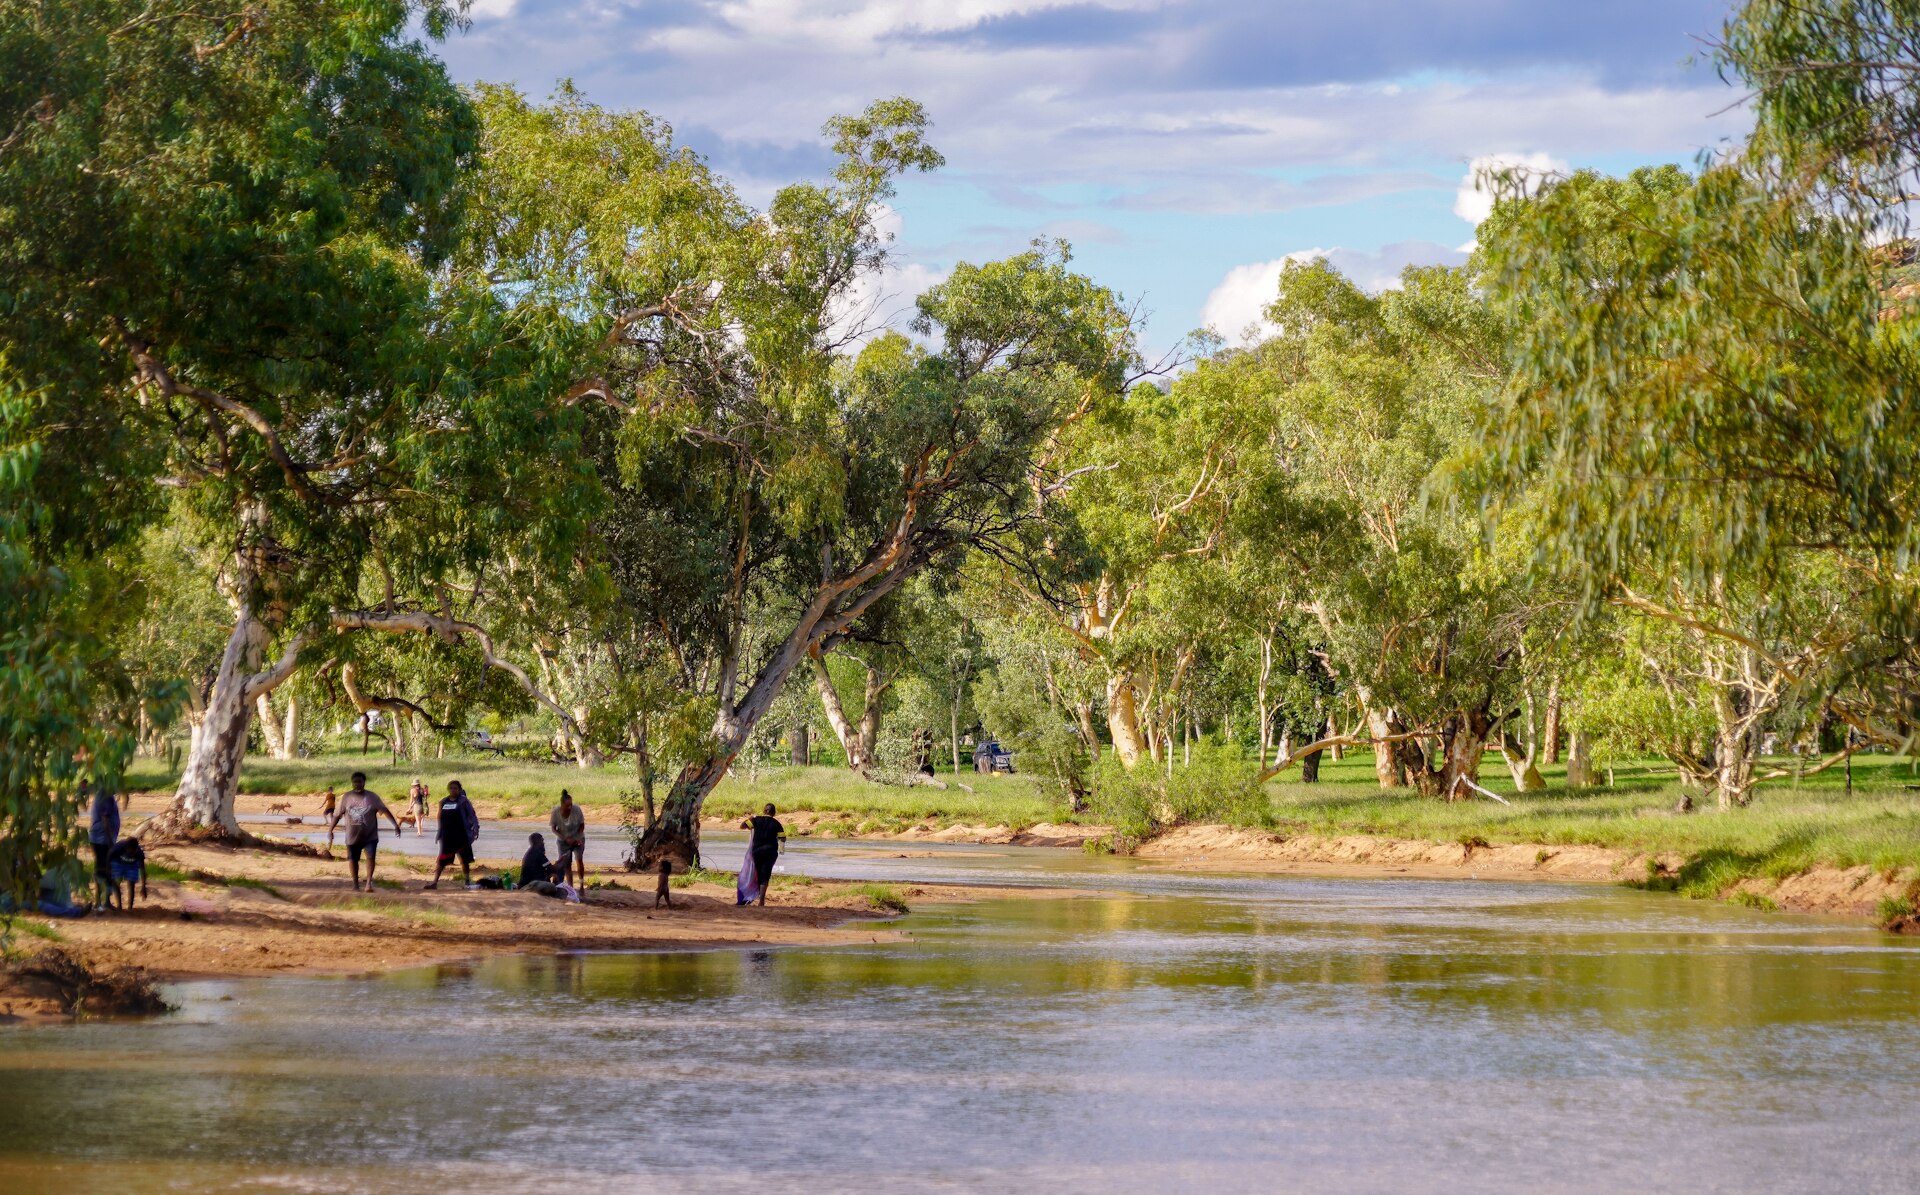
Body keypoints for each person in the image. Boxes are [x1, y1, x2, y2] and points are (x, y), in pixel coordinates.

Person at [328, 772, 401, 891]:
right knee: (353, 859)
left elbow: (385, 810)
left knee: (370, 858)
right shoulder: (346, 797)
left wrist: (395, 825)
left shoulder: (372, 797)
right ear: (352, 783)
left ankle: (368, 883)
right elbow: (337, 815)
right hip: (352, 836)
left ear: (364, 783)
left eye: (360, 782)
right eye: (355, 782)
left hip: (370, 836)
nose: (357, 784)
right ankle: (355, 884)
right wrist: (330, 830)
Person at [427, 779, 480, 889]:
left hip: (461, 836)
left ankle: (467, 882)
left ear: (459, 789)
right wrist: (439, 833)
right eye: (451, 788)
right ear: (448, 789)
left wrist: (476, 828)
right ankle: (434, 882)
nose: (453, 790)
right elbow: (440, 818)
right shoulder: (444, 802)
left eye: (455, 788)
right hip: (447, 836)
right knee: (442, 860)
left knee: (464, 861)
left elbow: (472, 815)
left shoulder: (463, 801)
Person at [736, 803, 784, 907]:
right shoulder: (776, 823)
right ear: (774, 813)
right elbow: (782, 838)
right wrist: (781, 849)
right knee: (765, 874)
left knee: (757, 873)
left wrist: (750, 818)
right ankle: (761, 901)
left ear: (764, 810)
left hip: (757, 851)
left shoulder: (755, 820)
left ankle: (752, 895)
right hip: (770, 852)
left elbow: (742, 826)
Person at [88, 781, 120, 911]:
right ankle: (99, 901)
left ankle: (104, 900)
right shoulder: (105, 796)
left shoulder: (104, 795)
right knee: (103, 869)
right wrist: (110, 841)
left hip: (101, 838)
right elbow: (105, 819)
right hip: (102, 840)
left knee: (104, 868)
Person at [549, 789, 587, 890]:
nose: (570, 807)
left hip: (577, 838)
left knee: (579, 859)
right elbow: (554, 829)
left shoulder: (577, 810)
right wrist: (565, 838)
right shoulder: (555, 812)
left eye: (571, 805)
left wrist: (577, 838)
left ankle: (582, 885)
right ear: (562, 804)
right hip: (563, 841)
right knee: (567, 864)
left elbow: (582, 826)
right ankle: (571, 888)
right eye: (567, 805)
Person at [108, 837, 148, 910]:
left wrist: (143, 887)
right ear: (125, 848)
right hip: (117, 862)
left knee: (131, 884)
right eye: (130, 852)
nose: (131, 854)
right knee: (116, 882)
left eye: (133, 852)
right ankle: (119, 906)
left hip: (132, 865)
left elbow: (142, 869)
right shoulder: (117, 848)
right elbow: (108, 859)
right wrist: (109, 872)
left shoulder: (139, 853)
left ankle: (130, 907)